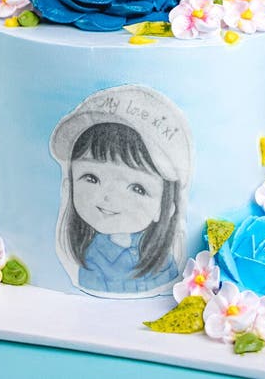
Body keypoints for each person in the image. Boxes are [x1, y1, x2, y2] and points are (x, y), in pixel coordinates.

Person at [50, 85, 193, 297]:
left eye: (138, 188)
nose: (109, 197)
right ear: (68, 187)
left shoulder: (162, 261)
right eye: (92, 178)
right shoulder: (93, 260)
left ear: (166, 208)